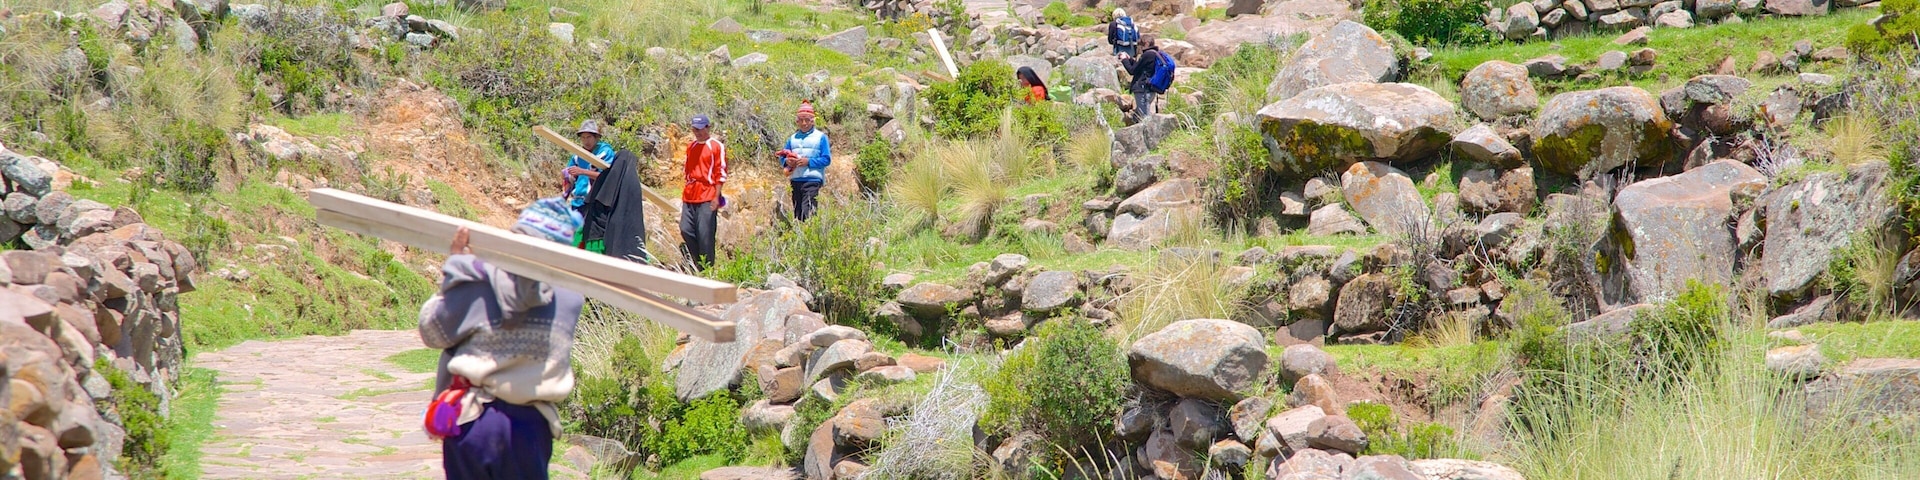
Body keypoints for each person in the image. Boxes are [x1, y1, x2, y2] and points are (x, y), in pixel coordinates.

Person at [419, 198, 585, 479]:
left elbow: (432, 331)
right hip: (530, 427)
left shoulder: (480, 285)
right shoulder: (571, 298)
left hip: (473, 421)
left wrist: (454, 276)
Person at [581, 145, 654, 264]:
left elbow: (596, 201)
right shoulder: (634, 186)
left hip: (599, 234)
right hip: (628, 233)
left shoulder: (608, 178)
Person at [680, 115, 728, 271]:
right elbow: (688, 169)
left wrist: (717, 197)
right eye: (695, 129)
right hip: (690, 194)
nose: (698, 132)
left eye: (701, 129)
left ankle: (707, 268)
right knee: (685, 229)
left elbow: (720, 171)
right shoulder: (691, 146)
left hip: (707, 194)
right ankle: (697, 261)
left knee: (705, 233)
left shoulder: (716, 146)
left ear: (708, 127)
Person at [777, 101, 830, 221]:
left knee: (809, 212)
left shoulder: (821, 137)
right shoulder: (792, 138)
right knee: (798, 213)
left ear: (813, 120)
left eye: (807, 119)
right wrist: (787, 162)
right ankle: (801, 237)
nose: (804, 123)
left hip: (813, 179)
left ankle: (810, 237)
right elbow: (782, 156)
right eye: (801, 120)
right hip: (795, 180)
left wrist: (808, 162)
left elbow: (826, 159)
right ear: (797, 121)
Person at [562, 120, 615, 212]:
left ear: (596, 137)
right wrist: (567, 175)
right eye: (583, 137)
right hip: (578, 201)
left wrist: (583, 172)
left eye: (589, 137)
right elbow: (569, 176)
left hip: (596, 202)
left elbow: (608, 177)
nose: (586, 141)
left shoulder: (605, 152)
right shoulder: (578, 155)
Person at [1122, 37, 1165, 122]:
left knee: (1144, 118)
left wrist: (1124, 60)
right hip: (1150, 89)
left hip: (1143, 90)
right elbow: (1139, 68)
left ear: (1145, 44)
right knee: (1139, 115)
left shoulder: (1147, 55)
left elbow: (1132, 70)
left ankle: (1149, 134)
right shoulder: (1155, 54)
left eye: (1140, 45)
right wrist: (1129, 59)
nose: (1139, 48)